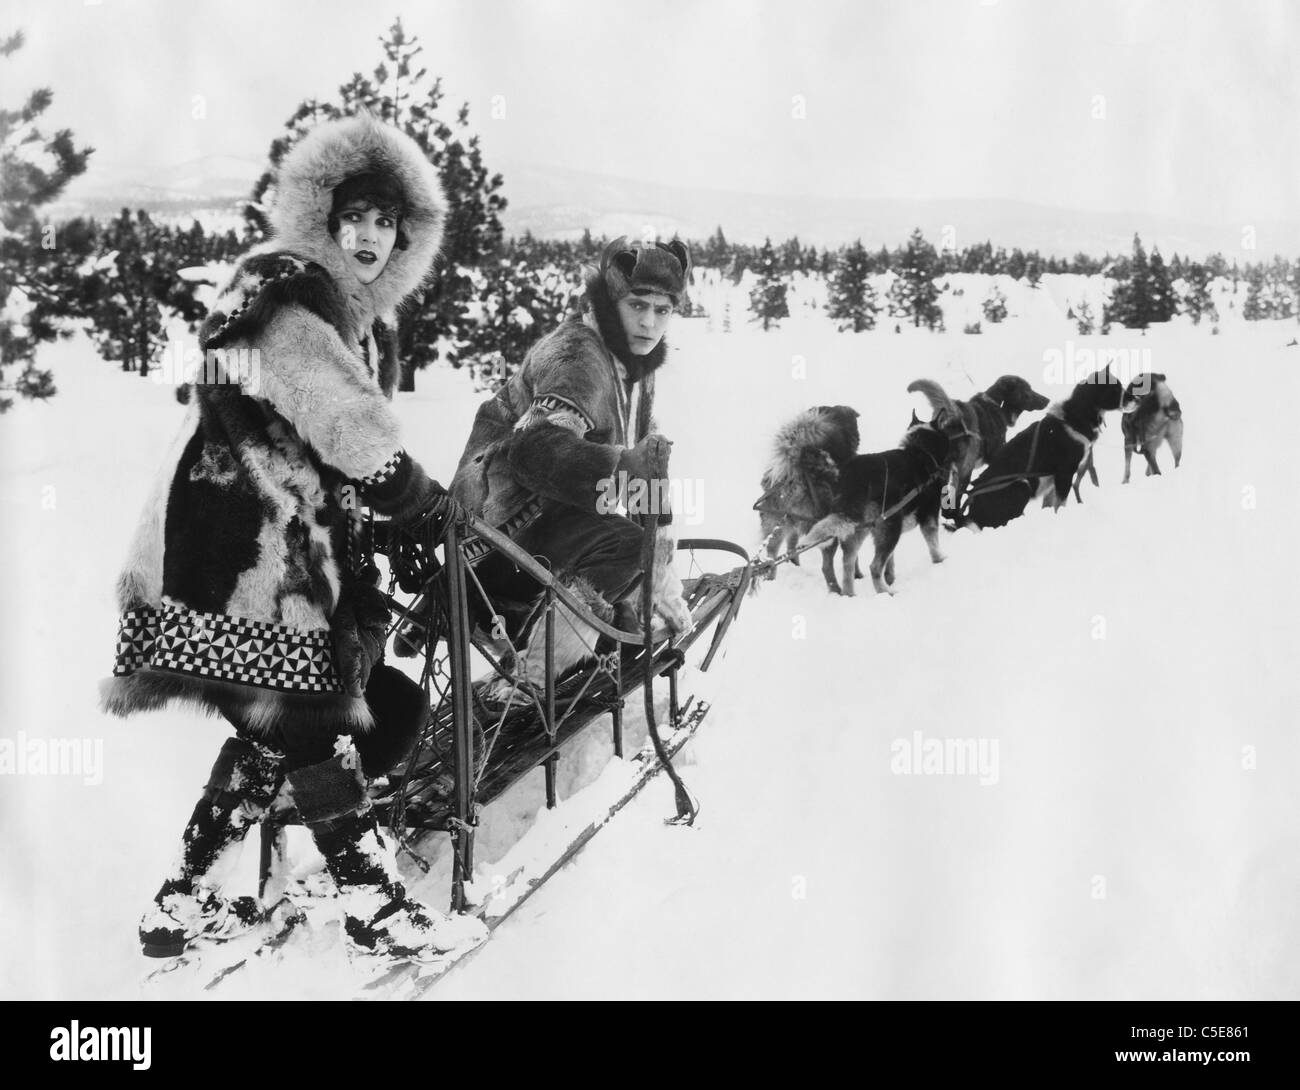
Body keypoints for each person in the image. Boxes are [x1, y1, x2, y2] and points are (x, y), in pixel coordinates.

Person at [101, 114, 475, 962]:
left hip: (266, 546)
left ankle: (179, 899)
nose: (372, 235)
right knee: (312, 717)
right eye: (356, 217)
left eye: (388, 221)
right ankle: (370, 900)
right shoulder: (288, 291)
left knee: (281, 721)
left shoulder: (346, 311)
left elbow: (329, 448)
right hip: (236, 546)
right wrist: (411, 496)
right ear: (323, 220)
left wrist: (381, 520)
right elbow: (344, 420)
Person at [451, 237, 694, 692]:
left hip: (534, 531)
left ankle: (580, 637)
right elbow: (533, 451)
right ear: (608, 301)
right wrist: (623, 472)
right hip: (486, 543)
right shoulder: (580, 359)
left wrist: (661, 568)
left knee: (632, 573)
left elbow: (644, 467)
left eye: (663, 310)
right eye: (637, 304)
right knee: (625, 547)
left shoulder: (633, 369)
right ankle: (535, 673)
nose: (649, 321)